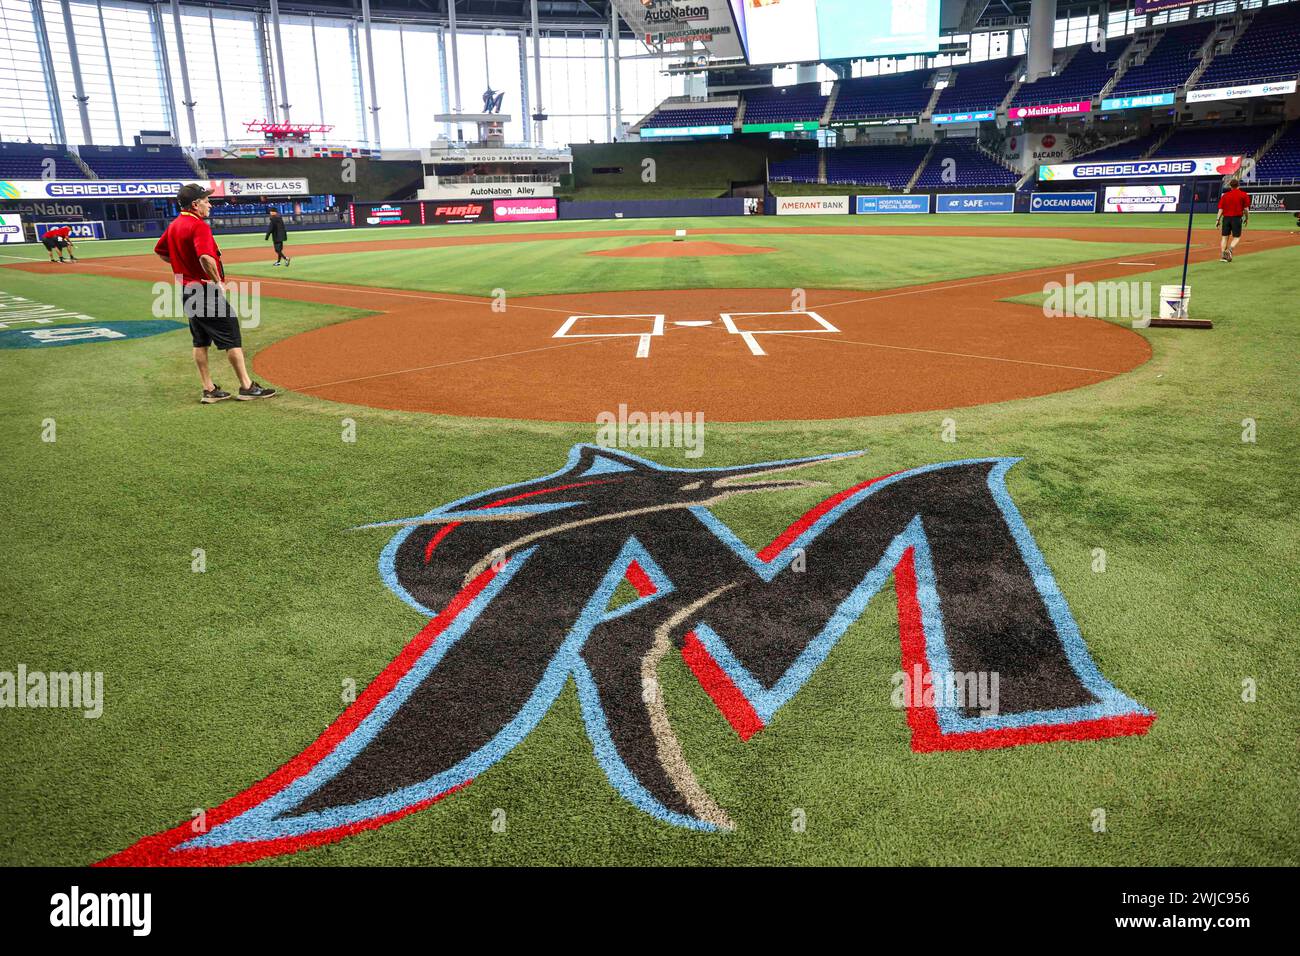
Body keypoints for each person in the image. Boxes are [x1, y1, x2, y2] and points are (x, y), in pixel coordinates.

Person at [155, 183, 276, 404]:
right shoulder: (198, 225)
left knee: (200, 341)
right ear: (195, 204)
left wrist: (184, 266)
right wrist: (217, 281)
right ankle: (247, 386)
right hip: (204, 290)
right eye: (206, 200)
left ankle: (209, 389)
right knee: (231, 336)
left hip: (186, 289)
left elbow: (161, 251)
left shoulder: (174, 225)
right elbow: (205, 258)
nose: (209, 204)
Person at [1216, 178, 1251, 263]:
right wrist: (1247, 218)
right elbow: (1246, 209)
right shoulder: (1243, 195)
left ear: (1230, 186)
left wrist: (1217, 220)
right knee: (1237, 237)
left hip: (1226, 218)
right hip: (1236, 218)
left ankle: (1224, 256)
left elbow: (1220, 209)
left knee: (1224, 237)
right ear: (1238, 185)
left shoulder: (1225, 195)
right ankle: (1230, 250)